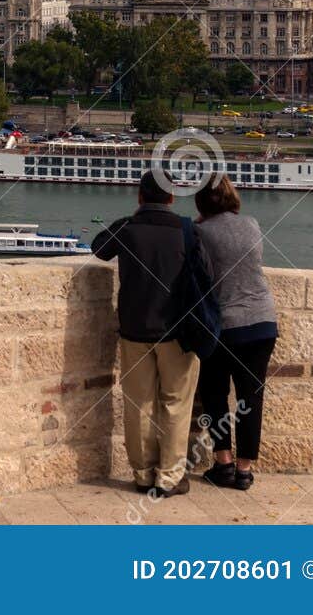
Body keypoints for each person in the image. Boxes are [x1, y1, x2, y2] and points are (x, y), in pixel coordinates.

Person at [92, 170, 212, 497]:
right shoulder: (187, 231)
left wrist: (130, 220)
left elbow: (99, 247)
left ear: (140, 197)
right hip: (177, 331)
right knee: (175, 403)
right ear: (172, 197)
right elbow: (207, 274)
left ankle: (143, 473)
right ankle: (170, 477)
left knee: (138, 403)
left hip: (134, 329)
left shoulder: (129, 229)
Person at [191, 174, 277, 491]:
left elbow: (202, 274)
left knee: (214, 394)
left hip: (225, 325)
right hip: (263, 321)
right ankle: (244, 471)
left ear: (201, 202)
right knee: (250, 398)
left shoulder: (198, 231)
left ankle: (223, 464)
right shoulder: (251, 224)